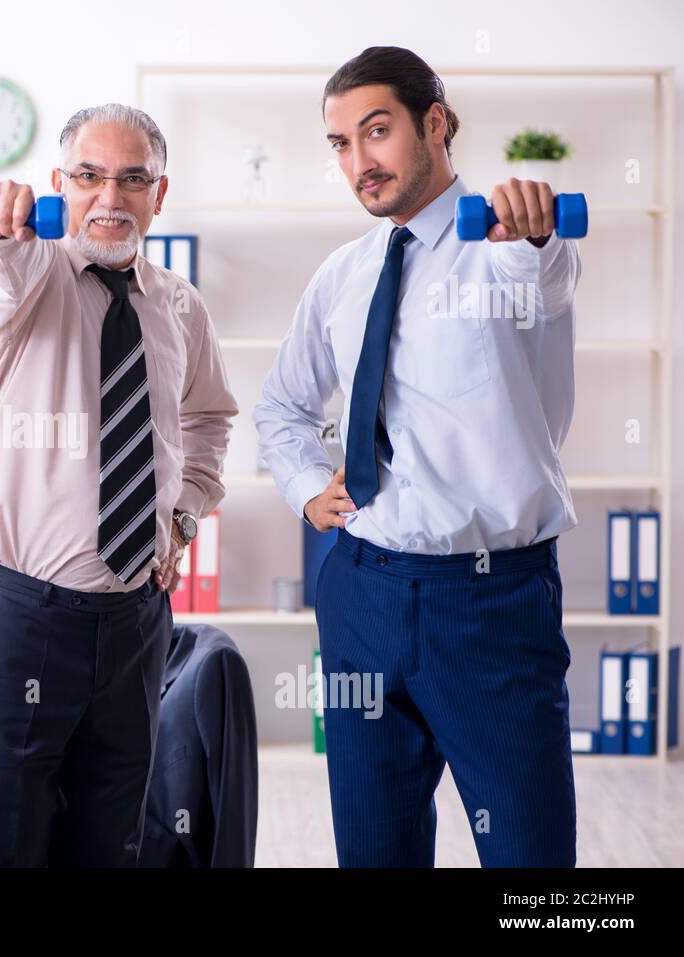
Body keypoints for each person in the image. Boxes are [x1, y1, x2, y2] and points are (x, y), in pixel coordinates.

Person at [253, 47, 581, 867]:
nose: (360, 162)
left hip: (488, 607)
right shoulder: (344, 274)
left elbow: (540, 279)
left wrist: (533, 233)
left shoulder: (502, 246)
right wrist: (304, 486)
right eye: (340, 143)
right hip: (359, 592)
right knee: (374, 851)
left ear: (435, 124)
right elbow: (281, 405)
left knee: (532, 868)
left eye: (377, 131)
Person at [0, 103, 238, 866]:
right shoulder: (30, 275)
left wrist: (180, 517)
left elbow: (208, 419)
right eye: (88, 177)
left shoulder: (179, 306)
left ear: (159, 193)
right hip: (19, 614)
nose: (110, 198)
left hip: (134, 621)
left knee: (112, 844)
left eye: (131, 179)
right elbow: (2, 262)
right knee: (7, 845)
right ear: (58, 185)